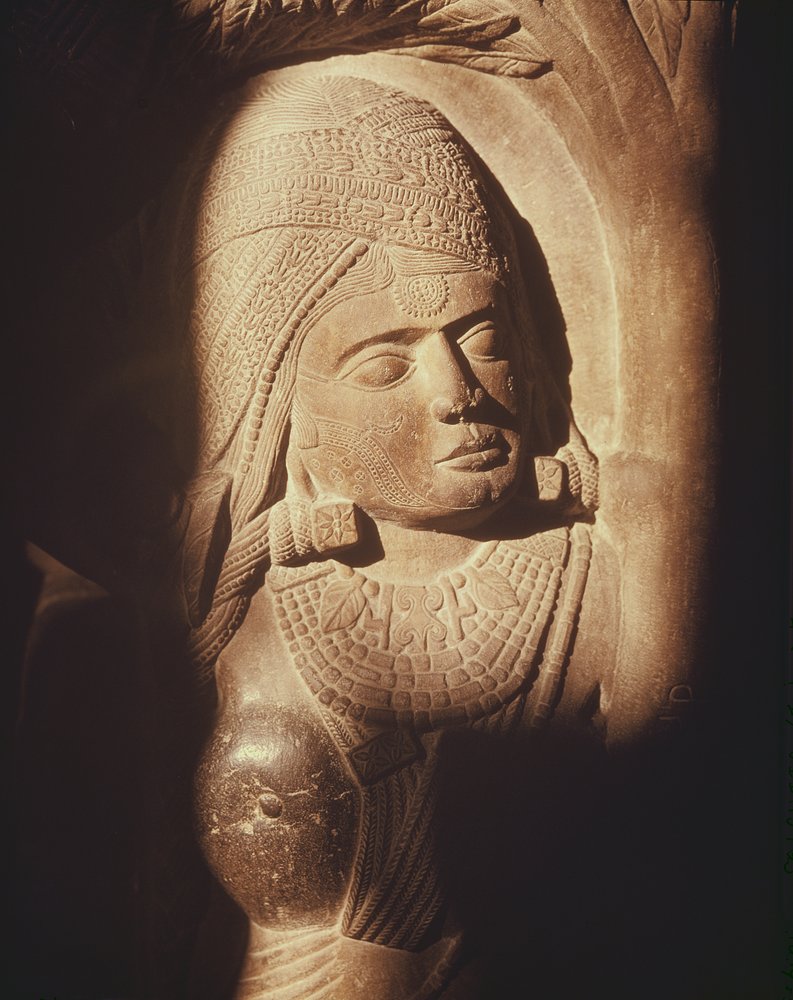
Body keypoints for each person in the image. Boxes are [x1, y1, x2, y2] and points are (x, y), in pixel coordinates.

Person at [166, 72, 598, 999]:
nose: (457, 395)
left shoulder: (596, 594)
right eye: (384, 364)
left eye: (481, 337)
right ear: (288, 412)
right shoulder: (221, 608)